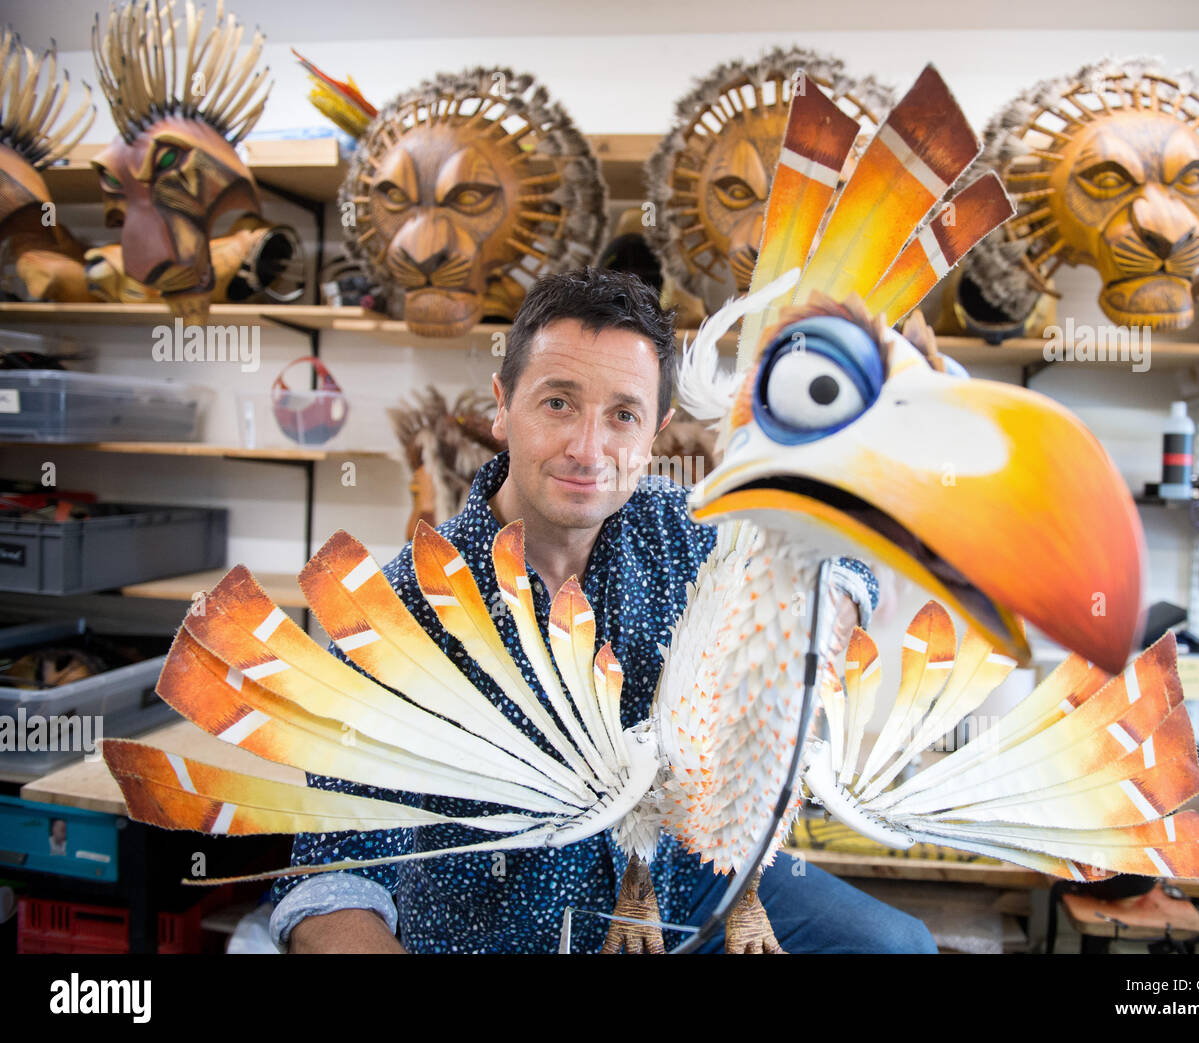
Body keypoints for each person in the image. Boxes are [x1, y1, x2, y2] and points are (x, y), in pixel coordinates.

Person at [269, 267, 937, 954]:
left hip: (680, 891)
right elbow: (333, 884)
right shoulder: (399, 614)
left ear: (656, 432)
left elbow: (833, 555)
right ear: (503, 406)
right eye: (558, 403)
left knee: (892, 943)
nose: (589, 450)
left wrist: (818, 621)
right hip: (504, 935)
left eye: (623, 415)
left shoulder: (683, 532)